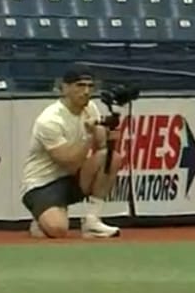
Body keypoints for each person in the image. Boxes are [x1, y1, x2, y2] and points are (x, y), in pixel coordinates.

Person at [20, 66, 124, 239]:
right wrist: (89, 136)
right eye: (80, 86)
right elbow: (69, 162)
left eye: (90, 86)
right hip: (42, 184)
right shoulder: (50, 120)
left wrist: (108, 135)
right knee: (58, 230)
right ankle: (40, 218)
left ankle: (92, 220)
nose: (86, 91)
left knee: (111, 158)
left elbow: (101, 146)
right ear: (65, 88)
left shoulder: (90, 108)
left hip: (73, 178)